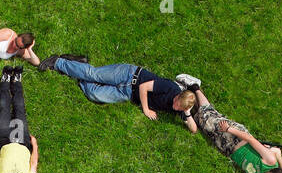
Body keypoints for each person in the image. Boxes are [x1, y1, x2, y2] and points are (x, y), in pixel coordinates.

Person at [38, 55, 197, 131]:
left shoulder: (182, 108)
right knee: (94, 75)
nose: (174, 107)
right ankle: (58, 62)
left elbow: (194, 130)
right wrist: (146, 109)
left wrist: (188, 113)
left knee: (94, 95)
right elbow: (144, 87)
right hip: (130, 75)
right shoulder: (170, 87)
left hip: (127, 93)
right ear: (178, 95)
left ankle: (79, 66)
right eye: (176, 103)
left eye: (178, 108)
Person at [190, 88, 282, 173]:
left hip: (229, 149)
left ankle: (191, 97)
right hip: (237, 138)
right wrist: (229, 129)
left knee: (202, 122)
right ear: (271, 171)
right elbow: (251, 139)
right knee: (209, 121)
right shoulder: (271, 160)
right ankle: (195, 87)